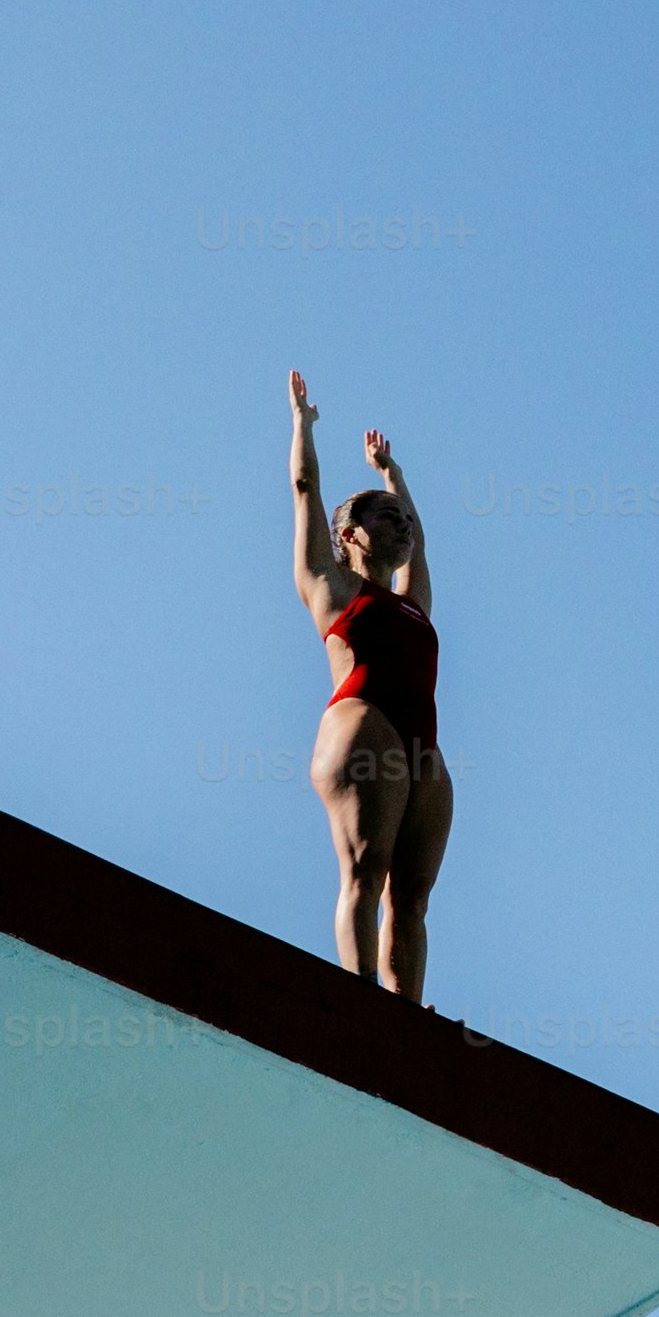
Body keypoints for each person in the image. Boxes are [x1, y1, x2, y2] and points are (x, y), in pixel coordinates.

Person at [287, 369, 449, 1000]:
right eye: (388, 517)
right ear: (352, 534)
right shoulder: (333, 587)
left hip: (421, 748)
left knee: (411, 901)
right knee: (365, 869)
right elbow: (305, 489)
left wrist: (395, 477)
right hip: (363, 725)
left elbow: (422, 543)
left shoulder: (414, 603)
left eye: (404, 518)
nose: (402, 524)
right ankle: (357, 997)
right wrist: (303, 424)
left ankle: (405, 1013)